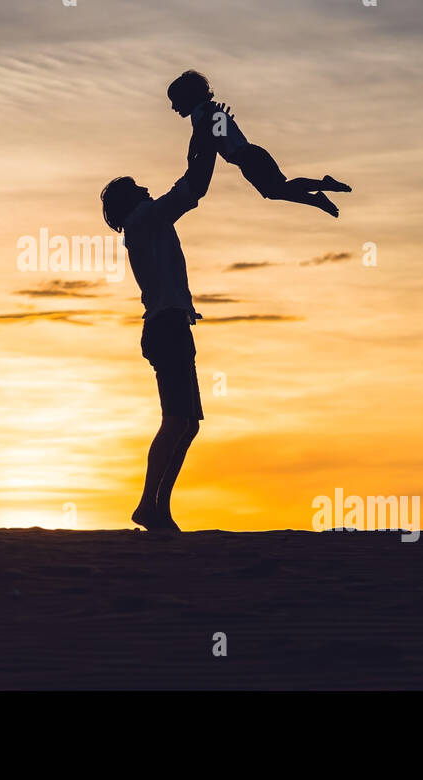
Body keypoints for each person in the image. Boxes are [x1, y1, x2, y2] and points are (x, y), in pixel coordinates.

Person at [99, 104, 225, 532]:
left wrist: (204, 135)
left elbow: (190, 186)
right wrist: (205, 131)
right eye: (138, 188)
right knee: (176, 420)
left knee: (187, 423)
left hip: (171, 326)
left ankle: (159, 508)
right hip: (165, 328)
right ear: (130, 201)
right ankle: (147, 505)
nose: (147, 189)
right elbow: (192, 187)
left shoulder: (144, 222)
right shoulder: (145, 220)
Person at [168, 69, 352, 217]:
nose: (173, 107)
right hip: (252, 155)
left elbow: (202, 138)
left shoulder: (202, 112)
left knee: (276, 191)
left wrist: (192, 157)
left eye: (176, 101)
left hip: (248, 158)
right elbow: (213, 135)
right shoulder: (210, 111)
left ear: (189, 97)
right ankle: (322, 189)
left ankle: (320, 195)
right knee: (279, 189)